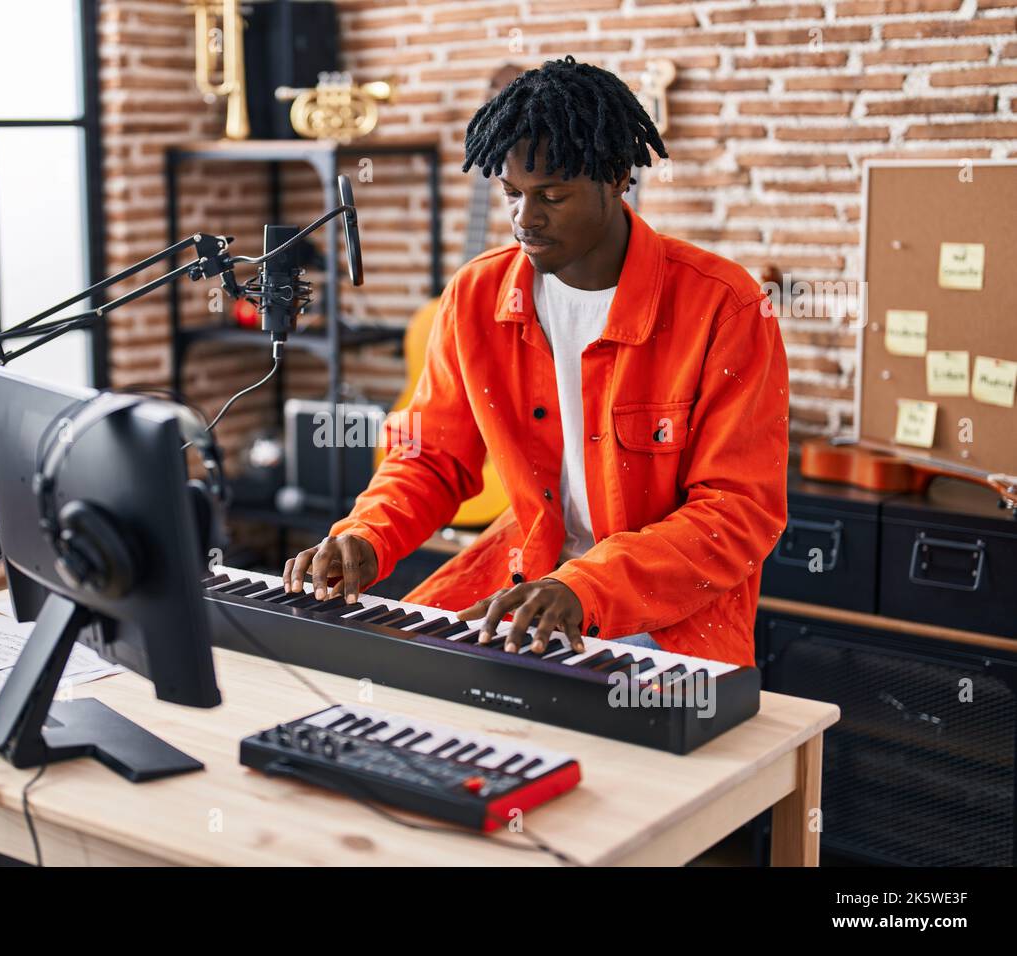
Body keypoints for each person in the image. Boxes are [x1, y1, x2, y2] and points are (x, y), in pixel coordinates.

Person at [282, 55, 789, 668]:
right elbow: (432, 457)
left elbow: (737, 513)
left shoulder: (725, 306)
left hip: (667, 620)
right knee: (386, 686)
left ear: (617, 177)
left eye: (552, 195)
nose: (525, 219)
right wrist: (367, 535)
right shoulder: (474, 295)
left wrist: (584, 587)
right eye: (512, 194)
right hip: (520, 587)